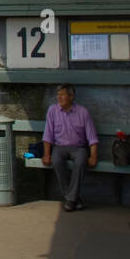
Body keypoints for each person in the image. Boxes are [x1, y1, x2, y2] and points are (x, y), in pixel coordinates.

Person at [40, 83, 98, 211]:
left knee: (81, 161)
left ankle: (70, 199)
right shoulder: (53, 110)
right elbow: (48, 135)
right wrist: (46, 154)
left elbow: (92, 137)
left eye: (63, 95)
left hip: (78, 147)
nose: (59, 98)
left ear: (71, 97)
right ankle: (73, 199)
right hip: (59, 147)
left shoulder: (83, 112)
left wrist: (93, 156)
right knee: (56, 161)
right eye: (58, 95)